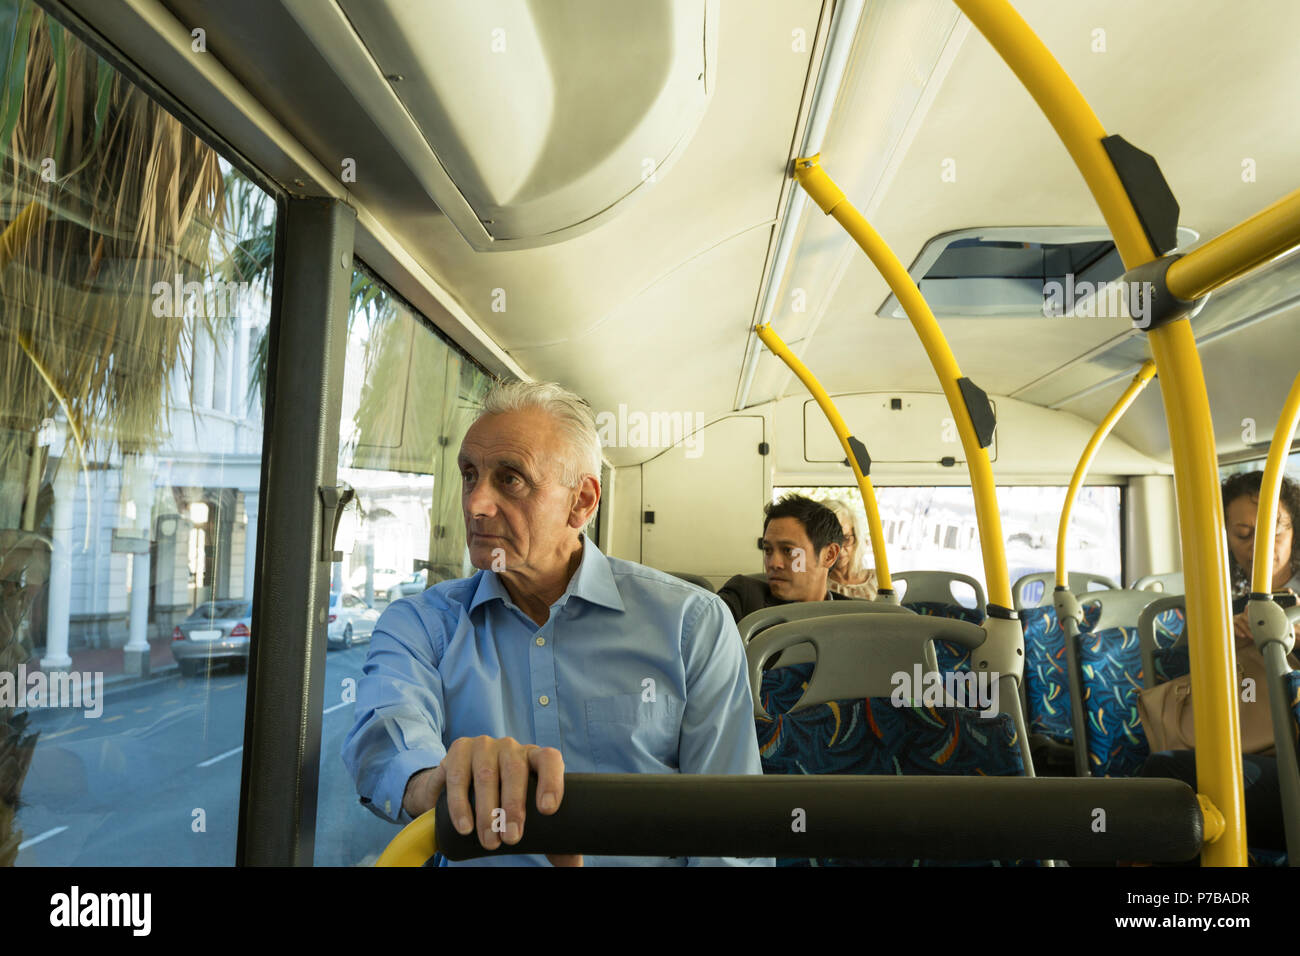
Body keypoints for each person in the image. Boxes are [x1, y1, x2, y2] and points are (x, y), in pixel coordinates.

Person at [342, 381, 771, 867]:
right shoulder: (421, 624)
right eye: (468, 474)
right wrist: (437, 783)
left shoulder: (691, 625)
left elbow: (730, 830)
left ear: (581, 503)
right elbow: (383, 731)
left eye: (510, 479)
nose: (475, 503)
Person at [1139, 470, 1300, 854]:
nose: (1262, 545)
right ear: (1226, 539)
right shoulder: (1228, 606)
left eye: (1275, 530)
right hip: (1257, 743)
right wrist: (1222, 634)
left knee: (1167, 777)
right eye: (1244, 535)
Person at [716, 494, 857, 625]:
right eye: (768, 550)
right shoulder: (744, 599)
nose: (773, 563)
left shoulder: (856, 617)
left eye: (788, 550)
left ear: (829, 555)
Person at [824, 498, 879, 601]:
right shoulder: (816, 586)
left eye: (846, 539)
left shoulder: (878, 580)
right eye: (830, 541)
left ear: (856, 537)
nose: (839, 550)